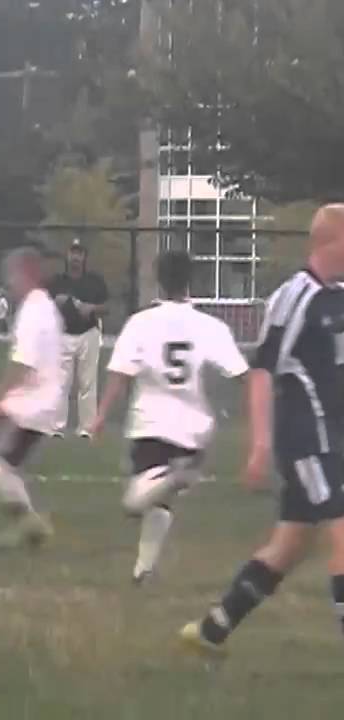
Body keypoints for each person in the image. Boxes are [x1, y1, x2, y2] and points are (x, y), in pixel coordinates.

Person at [179, 205, 344, 657]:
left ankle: (213, 629)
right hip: (308, 439)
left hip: (334, 438)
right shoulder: (295, 297)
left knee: (289, 546)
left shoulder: (338, 296)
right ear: (332, 241)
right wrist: (260, 443)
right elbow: (263, 372)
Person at [86, 251, 250, 584]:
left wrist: (101, 415)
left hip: (150, 421)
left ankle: (170, 477)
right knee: (160, 501)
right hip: (193, 426)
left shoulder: (141, 322)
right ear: (190, 281)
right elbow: (241, 373)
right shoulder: (209, 325)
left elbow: (120, 373)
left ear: (158, 279)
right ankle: (144, 569)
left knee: (138, 498)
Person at [0, 247, 62, 548]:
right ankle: (28, 524)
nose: (8, 283)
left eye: (12, 275)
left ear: (27, 273)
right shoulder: (43, 306)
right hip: (36, 403)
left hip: (30, 406)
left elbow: (22, 364)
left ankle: (31, 523)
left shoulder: (34, 310)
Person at [48, 239, 109, 438]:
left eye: (79, 253)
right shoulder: (57, 282)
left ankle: (86, 428)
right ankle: (57, 427)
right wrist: (56, 303)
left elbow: (107, 307)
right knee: (60, 383)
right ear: (67, 255)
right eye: (73, 252)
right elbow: (45, 306)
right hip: (63, 334)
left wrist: (92, 308)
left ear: (84, 257)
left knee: (88, 383)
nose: (76, 257)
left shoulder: (94, 282)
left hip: (88, 333)